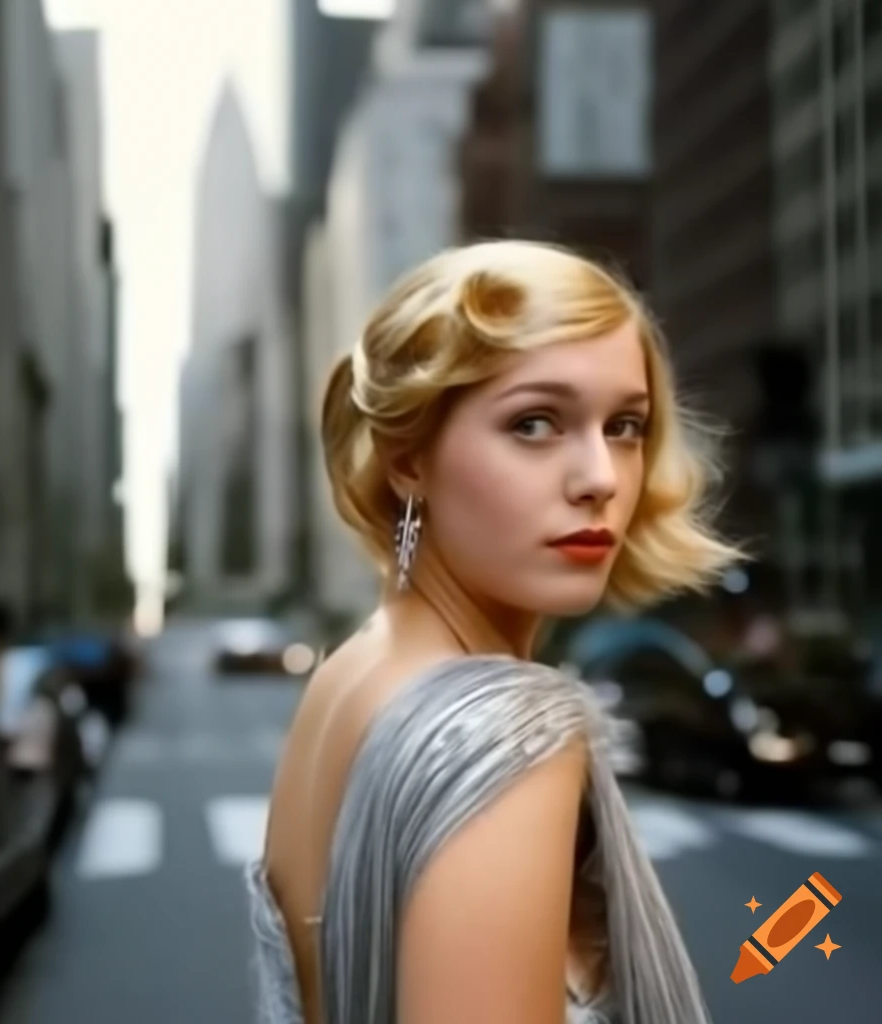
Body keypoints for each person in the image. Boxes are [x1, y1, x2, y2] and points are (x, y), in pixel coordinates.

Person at [246, 240, 743, 1024]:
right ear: (408, 458)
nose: (601, 478)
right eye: (537, 423)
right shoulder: (504, 732)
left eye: (625, 426)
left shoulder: (350, 674)